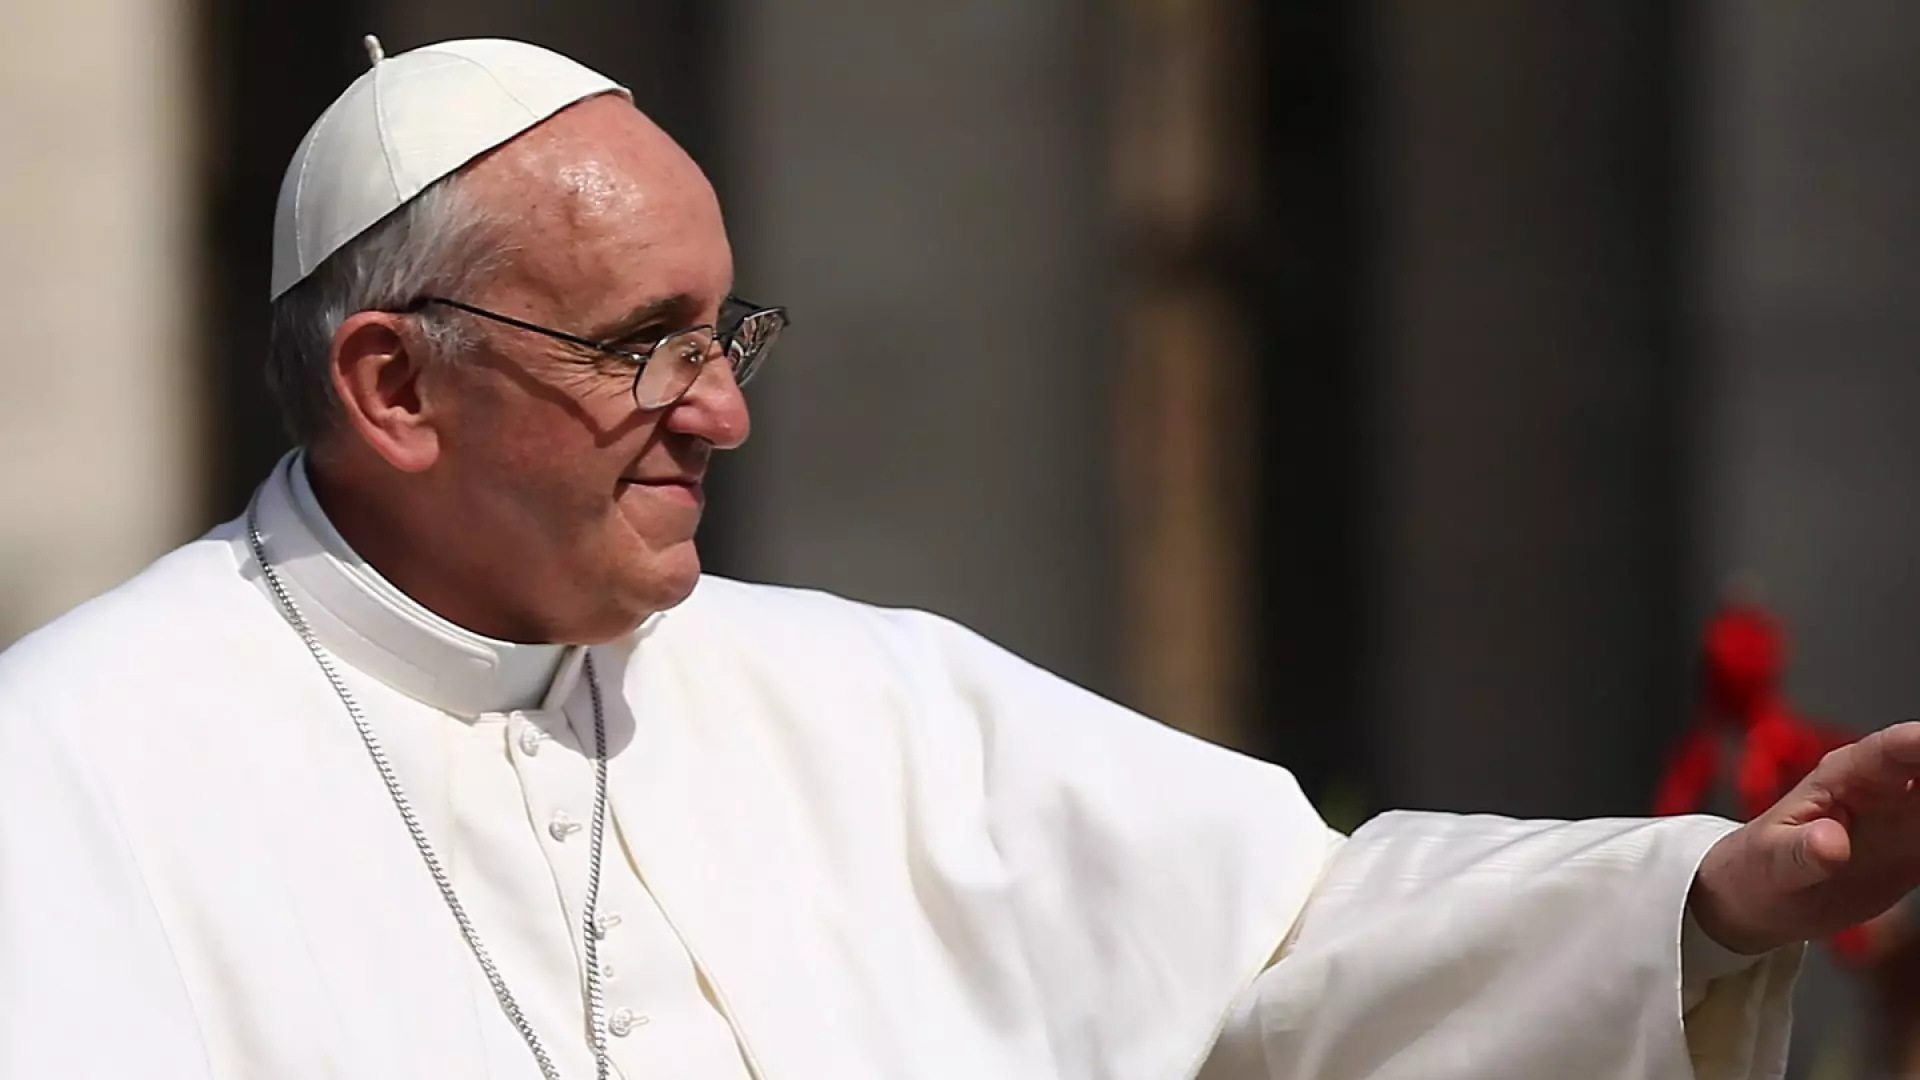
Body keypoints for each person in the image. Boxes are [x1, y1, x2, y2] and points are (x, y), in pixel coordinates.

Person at [0, 35, 1910, 1080]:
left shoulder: (861, 702)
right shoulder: (75, 768)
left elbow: (1287, 953)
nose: (721, 411)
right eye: (640, 342)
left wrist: (1705, 903)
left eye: (723, 333)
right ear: (392, 386)